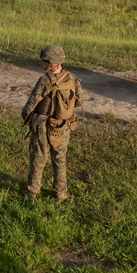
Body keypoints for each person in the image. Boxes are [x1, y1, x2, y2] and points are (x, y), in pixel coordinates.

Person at [21, 45, 83, 202]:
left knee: (39, 158)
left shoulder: (45, 80)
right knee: (60, 159)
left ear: (49, 63)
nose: (42, 64)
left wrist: (26, 117)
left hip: (43, 126)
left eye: (44, 61)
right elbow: (78, 101)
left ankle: (32, 192)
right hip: (63, 126)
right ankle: (61, 194)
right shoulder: (73, 79)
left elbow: (31, 104)